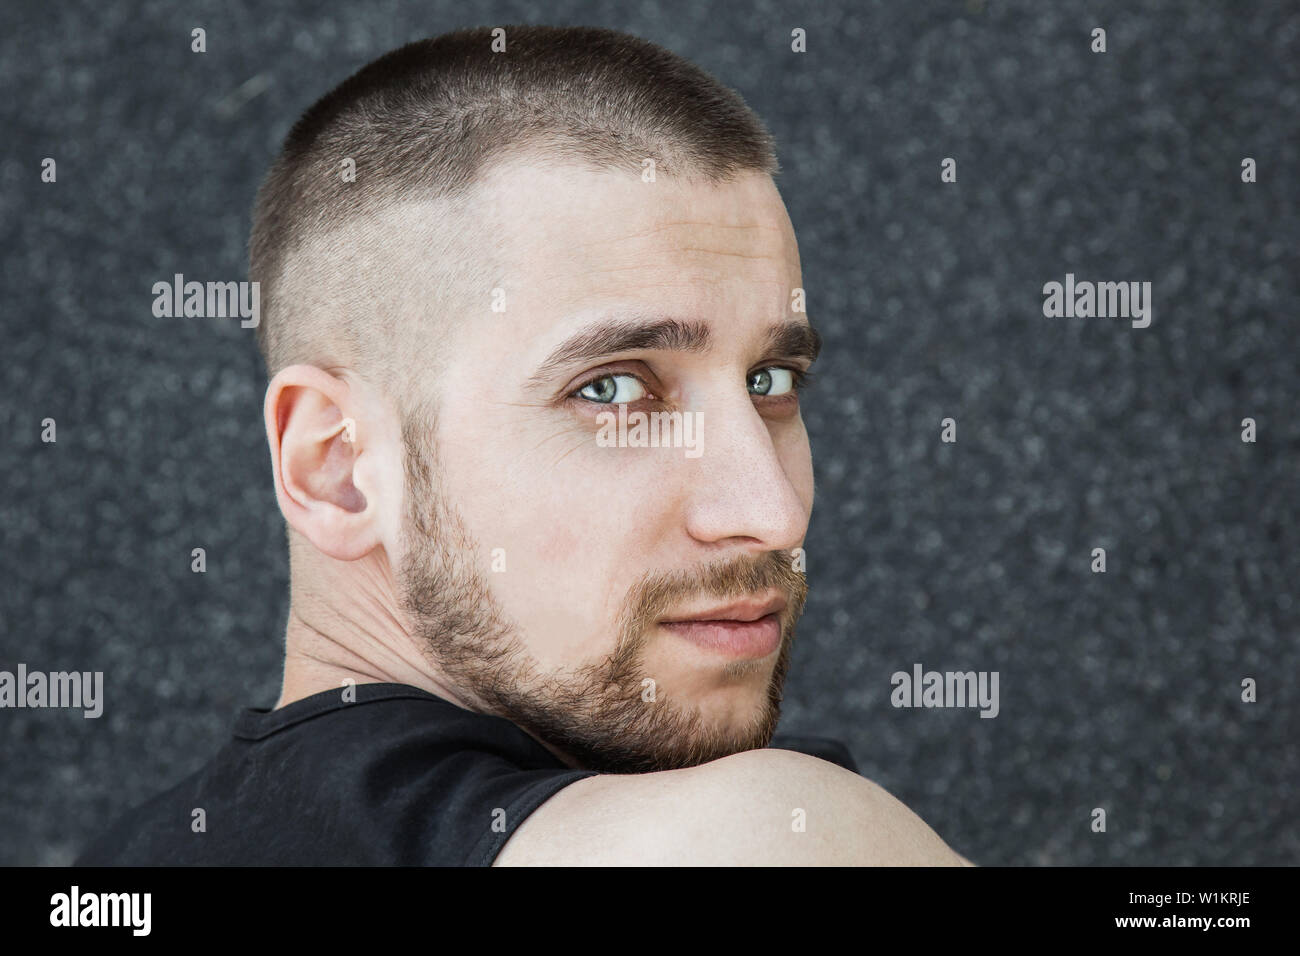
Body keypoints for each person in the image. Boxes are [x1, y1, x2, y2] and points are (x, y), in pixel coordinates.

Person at [77, 24, 972, 866]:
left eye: (770, 383)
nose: (771, 512)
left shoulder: (116, 874)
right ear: (338, 466)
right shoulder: (770, 837)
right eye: (614, 389)